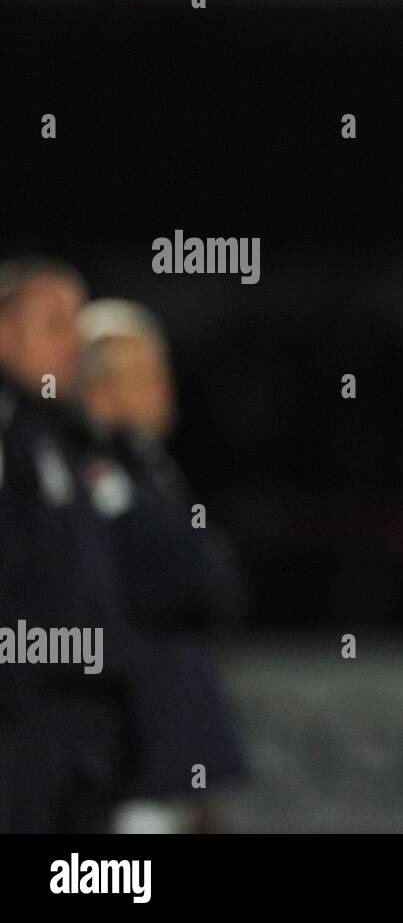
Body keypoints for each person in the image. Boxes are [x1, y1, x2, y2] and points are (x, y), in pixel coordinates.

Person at [76, 298, 250, 833]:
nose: (163, 386)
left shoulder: (154, 470)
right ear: (99, 391)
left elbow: (221, 584)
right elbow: (182, 578)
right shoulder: (94, 471)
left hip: (165, 751)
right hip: (129, 751)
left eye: (161, 369)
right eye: (144, 374)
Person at [0, 256, 130, 832]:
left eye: (77, 326)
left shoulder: (61, 435)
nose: (74, 343)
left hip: (80, 720)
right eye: (55, 324)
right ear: (4, 334)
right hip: (25, 724)